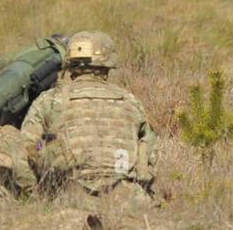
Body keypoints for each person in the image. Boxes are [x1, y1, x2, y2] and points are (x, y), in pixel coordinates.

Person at [23, 31, 158, 209]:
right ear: (108, 63)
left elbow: (28, 148)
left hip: (71, 197)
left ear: (70, 61)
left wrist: (46, 149)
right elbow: (149, 153)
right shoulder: (130, 101)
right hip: (129, 199)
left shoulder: (49, 100)